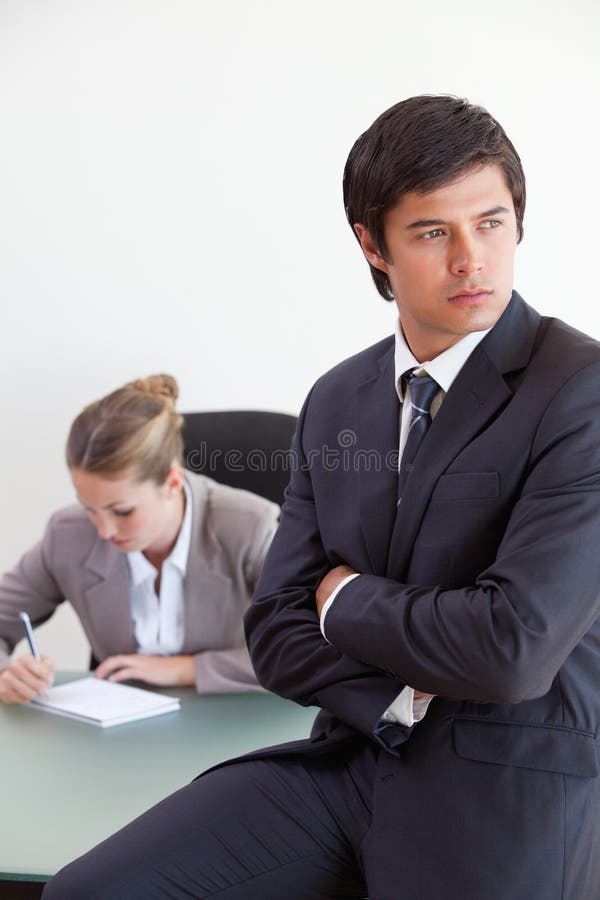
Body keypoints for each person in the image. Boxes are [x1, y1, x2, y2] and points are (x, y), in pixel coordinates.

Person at [44, 96, 600, 900]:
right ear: (373, 246)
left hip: (503, 788)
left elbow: (512, 647)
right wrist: (394, 696)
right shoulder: (338, 398)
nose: (472, 261)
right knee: (88, 892)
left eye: (492, 222)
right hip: (352, 755)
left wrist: (343, 602)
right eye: (433, 232)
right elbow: (274, 625)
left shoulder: (577, 389)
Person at [0, 374, 279, 703]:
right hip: (117, 730)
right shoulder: (68, 534)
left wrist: (189, 669)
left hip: (235, 717)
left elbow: (312, 645)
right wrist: (9, 675)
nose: (104, 531)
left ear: (172, 482)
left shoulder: (250, 527)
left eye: (122, 511)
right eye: (89, 508)